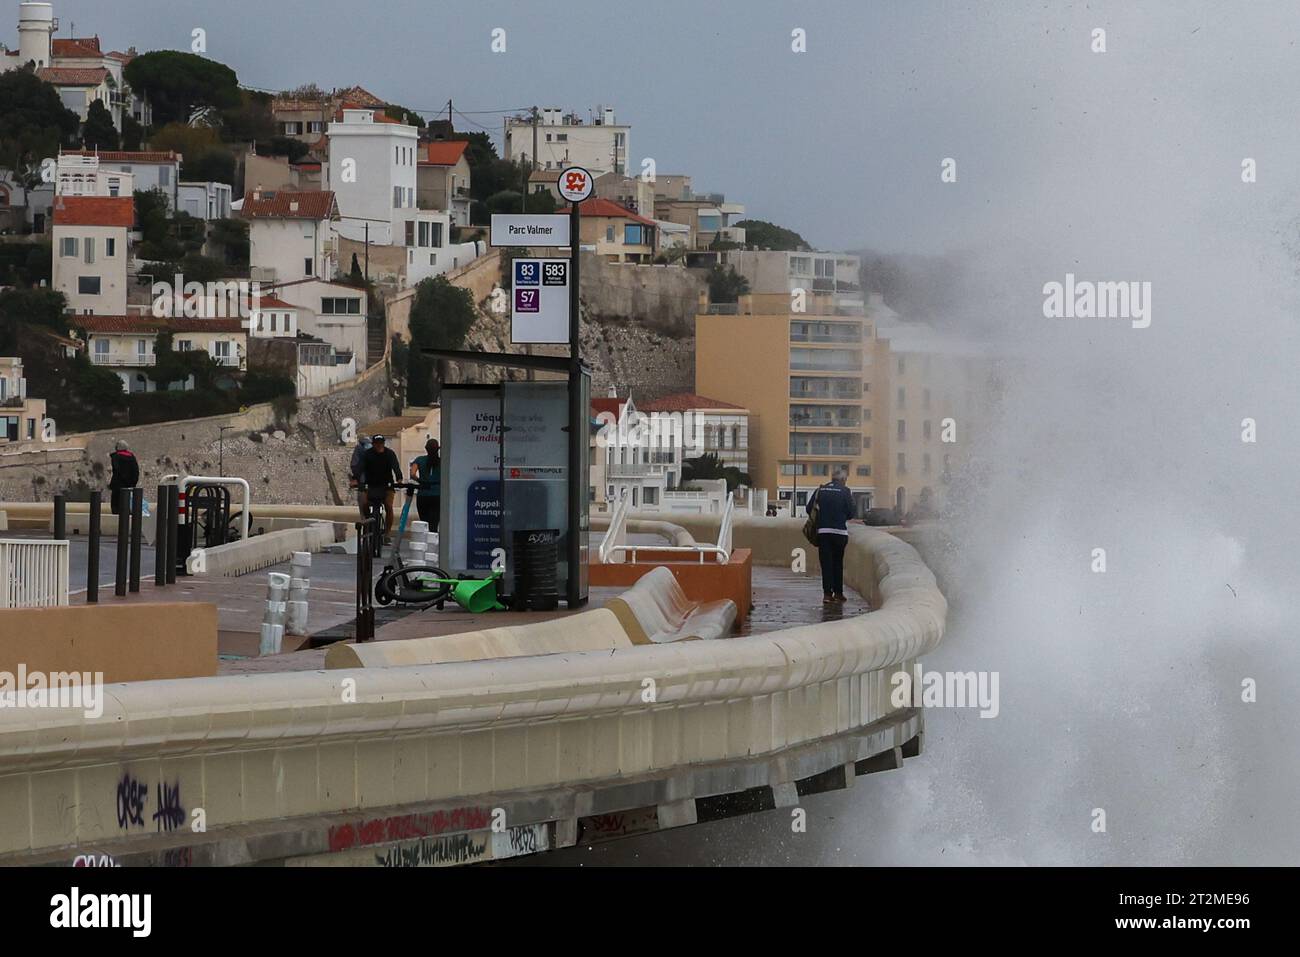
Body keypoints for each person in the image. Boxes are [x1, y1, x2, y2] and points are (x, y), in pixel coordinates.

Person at [806, 466, 854, 603]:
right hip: (840, 533)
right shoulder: (845, 491)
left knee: (826, 563)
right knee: (838, 563)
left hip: (823, 532)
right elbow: (851, 513)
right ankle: (838, 593)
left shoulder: (820, 490)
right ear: (843, 479)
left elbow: (809, 508)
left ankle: (827, 594)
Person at [359, 434, 402, 539]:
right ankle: (369, 522)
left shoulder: (390, 454)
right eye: (376, 444)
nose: (379, 446)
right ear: (373, 444)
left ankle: (387, 533)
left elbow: (396, 467)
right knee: (364, 504)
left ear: (383, 444)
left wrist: (399, 479)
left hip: (387, 485)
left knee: (388, 506)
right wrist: (357, 480)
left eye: (381, 443)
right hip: (371, 485)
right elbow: (360, 469)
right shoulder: (367, 455)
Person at [409, 438, 441, 531]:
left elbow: (412, 474)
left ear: (426, 449)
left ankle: (425, 543)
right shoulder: (442, 461)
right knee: (434, 524)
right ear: (437, 449)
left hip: (423, 494)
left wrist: (421, 481)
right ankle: (433, 541)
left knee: (424, 523)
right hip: (437, 494)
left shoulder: (420, 460)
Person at [108, 439, 139, 515]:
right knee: (127, 505)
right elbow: (136, 471)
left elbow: (117, 472)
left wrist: (113, 484)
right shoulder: (132, 457)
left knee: (116, 507)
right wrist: (133, 483)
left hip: (118, 486)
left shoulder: (116, 457)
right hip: (130, 485)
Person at [348, 434, 372, 520]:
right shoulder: (377, 450)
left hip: (363, 481)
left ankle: (363, 519)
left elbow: (354, 466)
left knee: (362, 503)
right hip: (373, 481)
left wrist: (355, 478)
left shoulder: (358, 449)